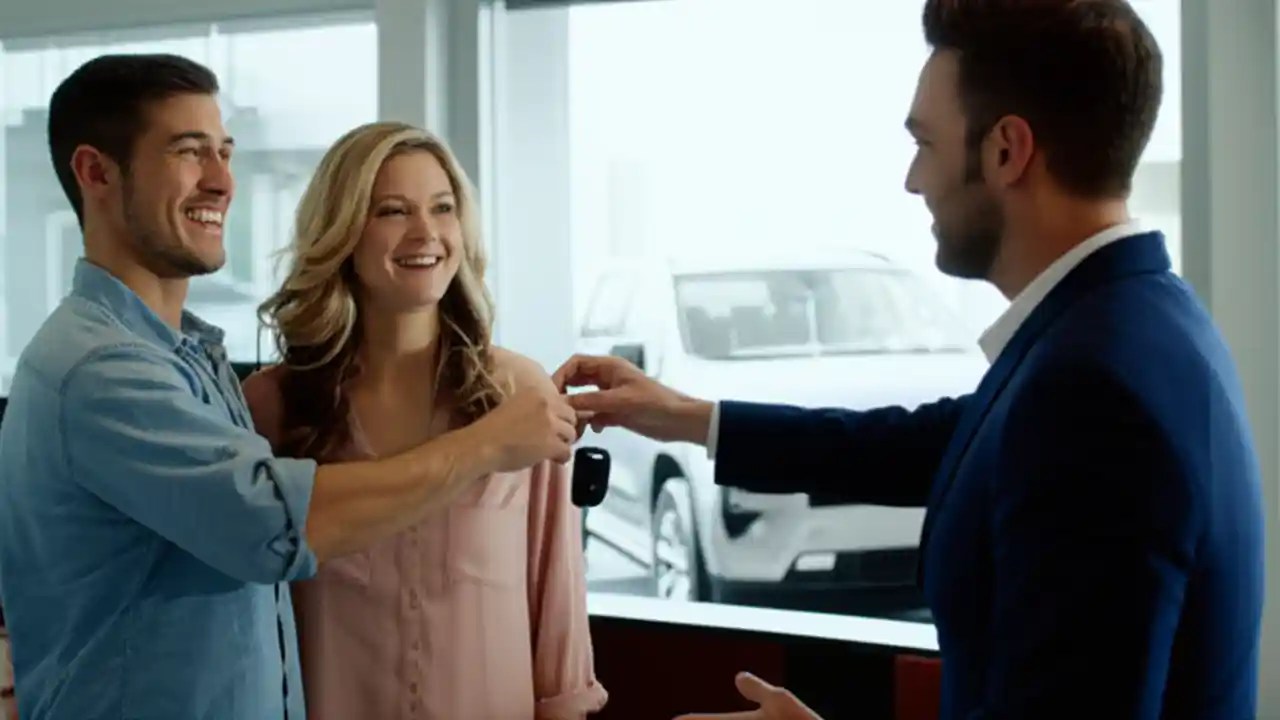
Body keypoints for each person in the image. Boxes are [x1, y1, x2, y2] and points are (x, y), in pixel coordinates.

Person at [558, 1, 1266, 718]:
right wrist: (684, 417)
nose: (911, 180)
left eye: (924, 144)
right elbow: (918, 445)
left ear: (1005, 151)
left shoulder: (1094, 388)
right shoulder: (1132, 321)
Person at [0, 54, 577, 720]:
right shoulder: (99, 371)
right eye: (190, 153)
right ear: (96, 172)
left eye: (225, 153)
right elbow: (275, 525)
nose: (222, 181)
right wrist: (486, 447)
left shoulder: (196, 363)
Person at [241, 121, 608, 719]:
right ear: (343, 232)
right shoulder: (272, 407)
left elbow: (556, 600)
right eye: (392, 210)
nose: (426, 233)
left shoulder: (518, 392)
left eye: (443, 208)